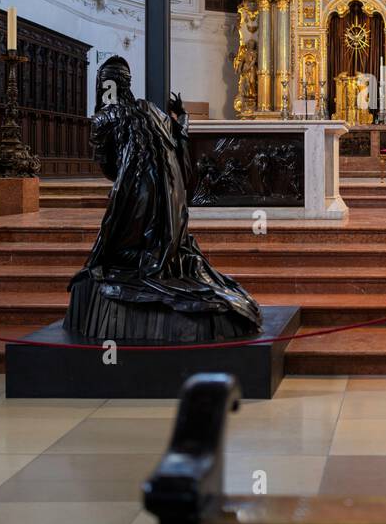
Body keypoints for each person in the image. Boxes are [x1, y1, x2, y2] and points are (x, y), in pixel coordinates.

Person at [67, 56, 263, 341]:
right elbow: (180, 136)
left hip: (135, 204)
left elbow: (109, 169)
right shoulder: (151, 111)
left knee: (115, 255)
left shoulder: (103, 119)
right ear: (128, 84)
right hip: (171, 206)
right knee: (151, 249)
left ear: (102, 86)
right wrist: (181, 115)